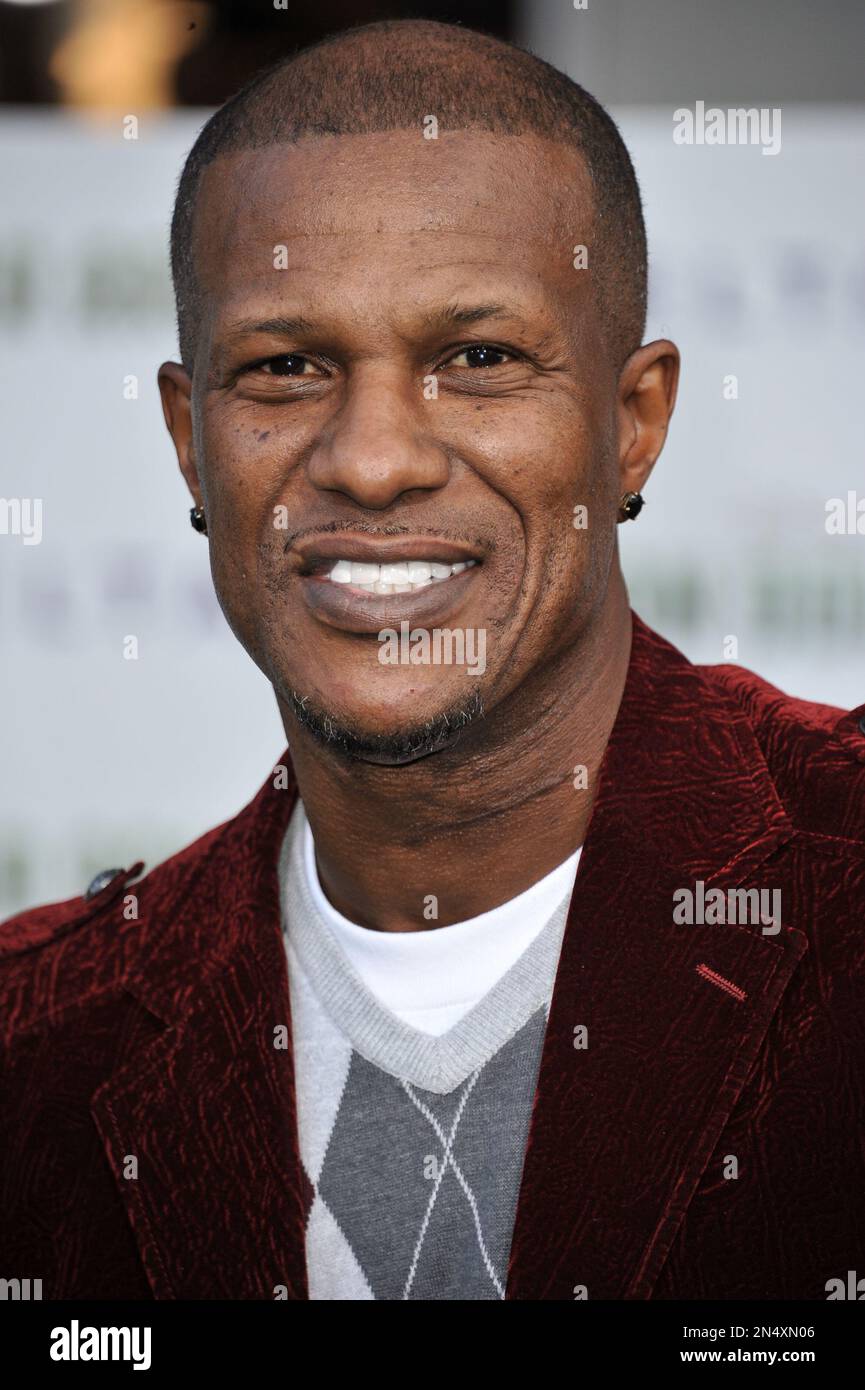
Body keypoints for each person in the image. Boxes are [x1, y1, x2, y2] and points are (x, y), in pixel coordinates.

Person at [2, 18, 863, 1302]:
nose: (375, 458)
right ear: (192, 442)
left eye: (478, 359)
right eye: (286, 368)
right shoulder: (37, 1044)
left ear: (634, 426)